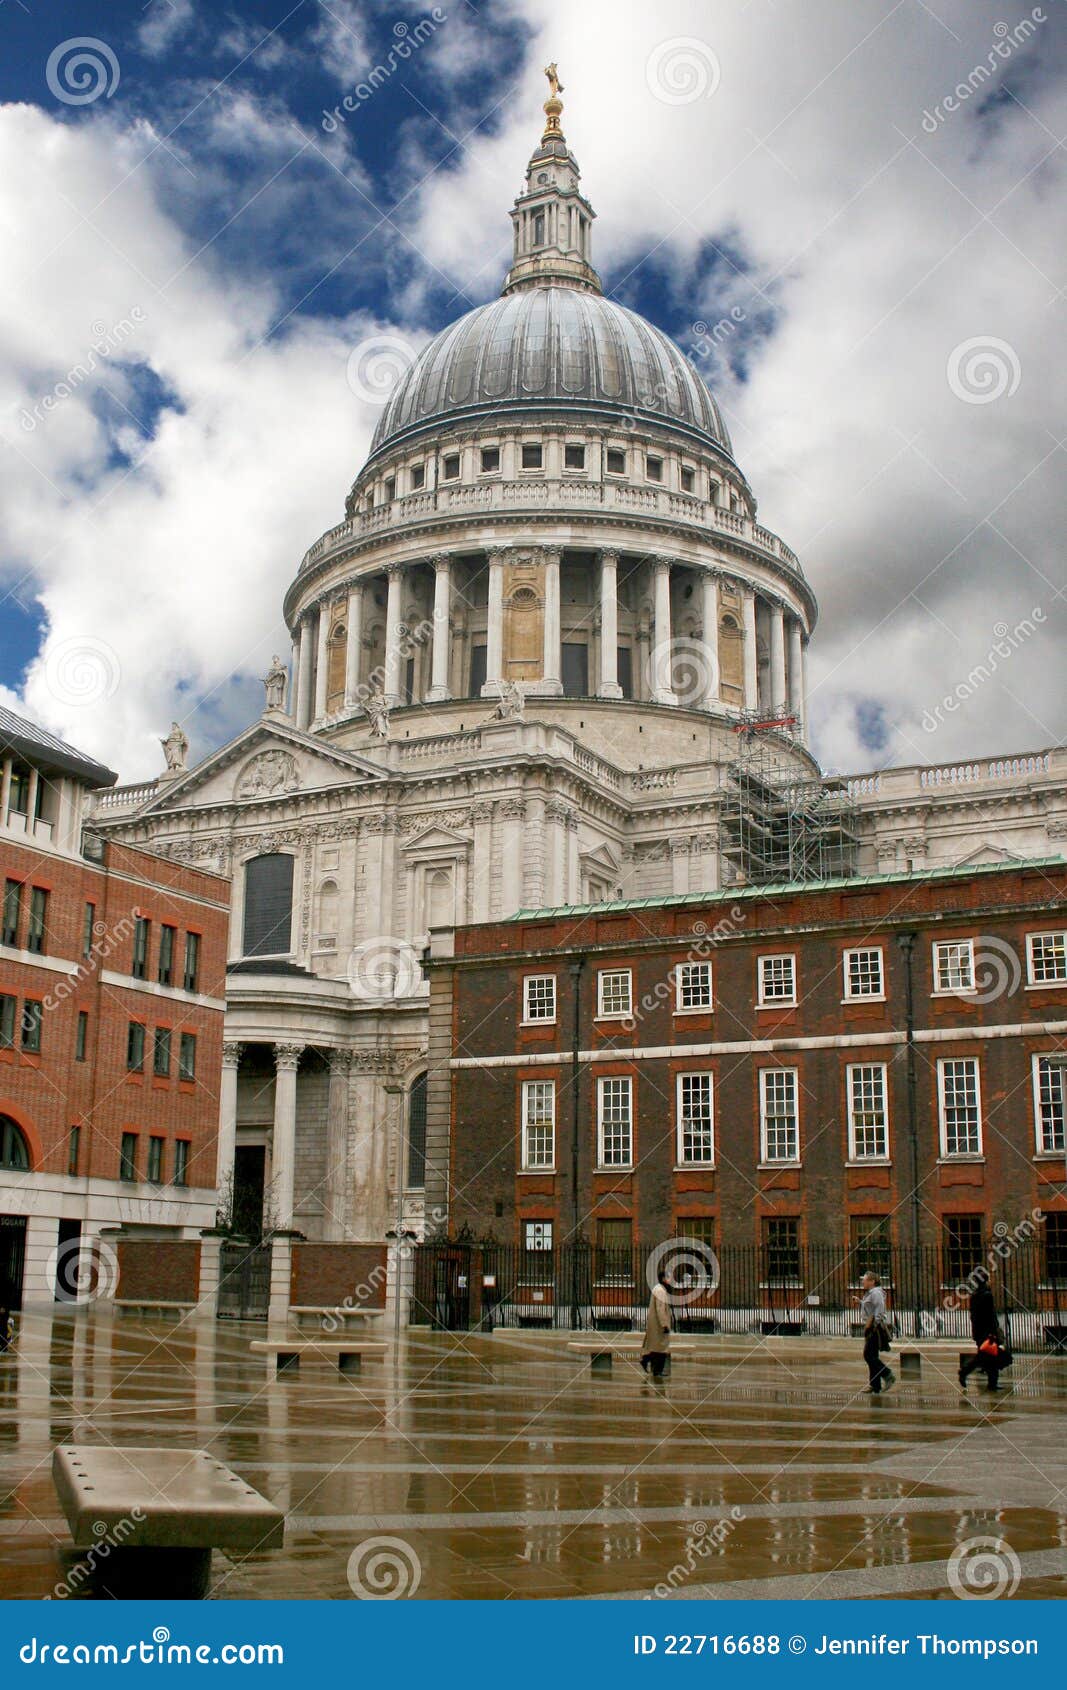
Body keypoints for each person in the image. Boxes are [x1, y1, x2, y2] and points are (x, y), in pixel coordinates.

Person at [959, 1274, 1005, 1391]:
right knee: (985, 1357)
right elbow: (991, 1315)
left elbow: (973, 1315)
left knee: (988, 1357)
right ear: (986, 1281)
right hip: (988, 1331)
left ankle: (992, 1384)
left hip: (979, 1331)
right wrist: (994, 1330)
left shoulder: (974, 1296)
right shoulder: (987, 1295)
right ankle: (964, 1372)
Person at [858, 1271, 895, 1394]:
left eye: (865, 1279)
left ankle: (887, 1374)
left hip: (874, 1327)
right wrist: (859, 1302)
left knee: (868, 1355)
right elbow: (870, 1307)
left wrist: (873, 1325)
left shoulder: (876, 1293)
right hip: (871, 1326)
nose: (863, 1282)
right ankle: (875, 1385)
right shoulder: (872, 1293)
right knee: (872, 1355)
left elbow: (879, 1310)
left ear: (872, 1281)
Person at [641, 1270, 672, 1380]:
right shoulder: (660, 1291)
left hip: (656, 1323)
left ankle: (649, 1363)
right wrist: (664, 1325)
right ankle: (654, 1368)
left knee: (658, 1348)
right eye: (669, 1278)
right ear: (663, 1279)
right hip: (659, 1325)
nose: (670, 1280)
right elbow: (660, 1308)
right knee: (661, 1349)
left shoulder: (660, 1289)